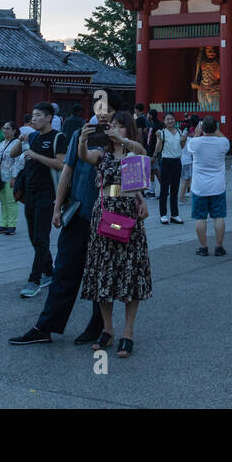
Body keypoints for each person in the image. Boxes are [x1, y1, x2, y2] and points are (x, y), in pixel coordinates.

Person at [8, 92, 126, 347]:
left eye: (108, 110)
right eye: (99, 108)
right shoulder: (79, 135)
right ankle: (45, 326)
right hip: (79, 212)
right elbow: (67, 171)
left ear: (116, 113)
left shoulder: (121, 142)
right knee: (64, 270)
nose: (102, 113)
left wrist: (111, 197)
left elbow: (126, 181)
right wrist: (57, 207)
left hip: (107, 216)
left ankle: (99, 327)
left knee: (100, 272)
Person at [79, 111, 151, 358]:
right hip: (104, 214)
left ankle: (128, 332)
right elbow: (86, 157)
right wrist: (81, 141)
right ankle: (107, 329)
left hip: (128, 214)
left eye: (121, 126)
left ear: (128, 129)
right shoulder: (103, 154)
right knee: (104, 272)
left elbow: (141, 155)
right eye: (113, 126)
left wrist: (141, 199)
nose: (115, 129)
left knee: (131, 272)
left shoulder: (132, 152)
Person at [15, 103, 67, 298]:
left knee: (41, 236)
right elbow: (14, 154)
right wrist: (21, 141)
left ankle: (34, 280)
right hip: (30, 191)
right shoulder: (34, 136)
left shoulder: (58, 137)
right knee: (33, 236)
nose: (33, 119)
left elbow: (60, 163)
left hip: (48, 193)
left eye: (37, 116)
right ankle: (49, 271)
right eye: (33, 116)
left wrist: (35, 155)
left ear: (48, 118)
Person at [188, 116, 230, 256]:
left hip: (199, 186)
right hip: (217, 185)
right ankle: (219, 247)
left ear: (202, 128)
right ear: (215, 128)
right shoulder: (222, 143)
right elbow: (223, 137)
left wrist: (197, 132)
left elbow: (192, 141)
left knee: (200, 218)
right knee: (219, 217)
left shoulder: (195, 143)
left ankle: (204, 247)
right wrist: (216, 130)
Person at [152, 111, 185, 225]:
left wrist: (184, 140)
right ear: (164, 121)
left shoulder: (179, 131)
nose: (170, 121)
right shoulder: (162, 133)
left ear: (175, 120)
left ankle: (175, 215)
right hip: (166, 162)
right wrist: (159, 140)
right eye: (168, 119)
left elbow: (182, 146)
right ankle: (163, 215)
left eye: (172, 119)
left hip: (177, 162)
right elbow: (158, 149)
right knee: (164, 190)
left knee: (175, 189)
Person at [0, 121, 22, 235]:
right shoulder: (2, 143)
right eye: (4, 128)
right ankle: (3, 224)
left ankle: (12, 225)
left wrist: (14, 177)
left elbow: (17, 162)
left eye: (8, 128)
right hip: (0, 177)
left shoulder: (17, 143)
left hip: (10, 177)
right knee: (3, 202)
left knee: (11, 202)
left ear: (14, 131)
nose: (5, 130)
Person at [179, 114, 198, 203]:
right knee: (185, 180)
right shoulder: (189, 140)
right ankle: (181, 199)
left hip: (182, 160)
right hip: (187, 161)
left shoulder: (179, 138)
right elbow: (192, 151)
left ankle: (183, 196)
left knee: (186, 179)